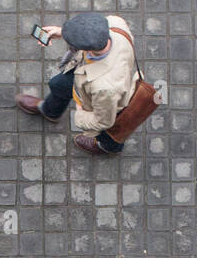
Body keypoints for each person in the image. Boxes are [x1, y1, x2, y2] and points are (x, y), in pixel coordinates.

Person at [15, 12, 140, 155]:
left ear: (87, 49)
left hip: (102, 92)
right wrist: (62, 32)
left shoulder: (105, 89)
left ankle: (107, 146)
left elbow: (104, 121)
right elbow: (90, 31)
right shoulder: (115, 23)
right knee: (59, 85)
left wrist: (79, 113)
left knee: (112, 129)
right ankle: (50, 111)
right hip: (84, 73)